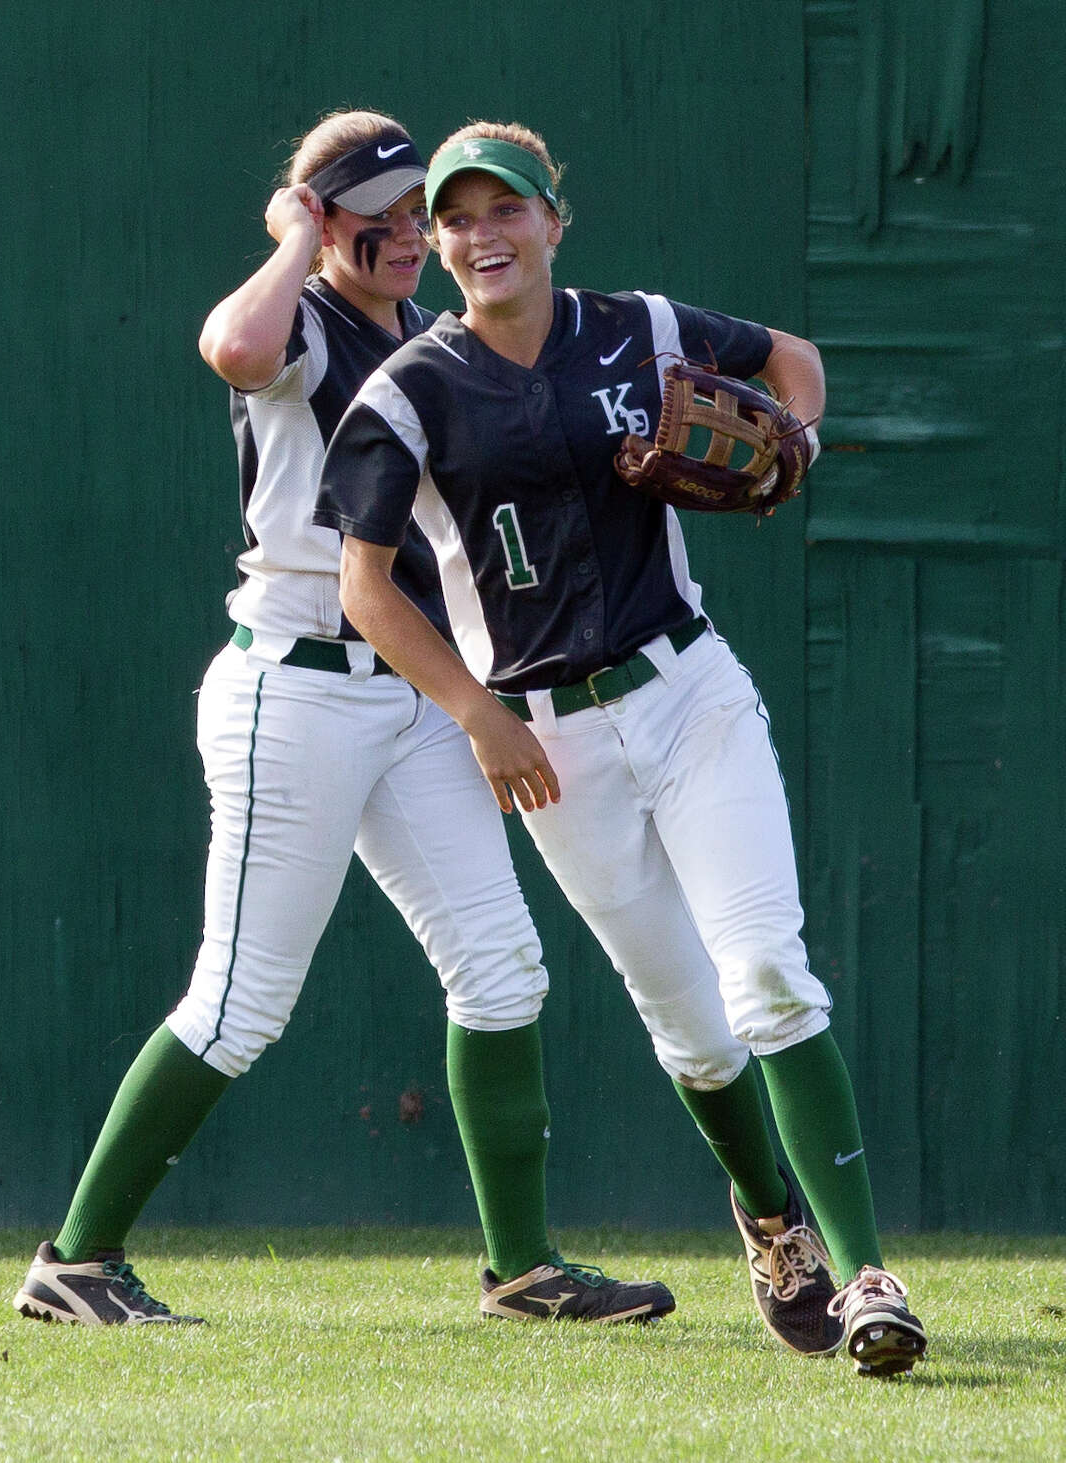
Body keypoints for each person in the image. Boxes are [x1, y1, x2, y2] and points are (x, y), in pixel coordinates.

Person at [12, 111, 673, 1328]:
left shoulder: (424, 336)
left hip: (409, 689)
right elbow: (232, 345)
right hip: (296, 684)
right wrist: (294, 232)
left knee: (503, 966)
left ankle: (522, 1266)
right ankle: (78, 1256)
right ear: (323, 221)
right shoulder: (305, 319)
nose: (409, 234)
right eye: (378, 215)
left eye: (418, 212)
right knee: (243, 996)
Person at [315, 121, 929, 1377]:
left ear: (554, 221)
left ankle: (868, 1270)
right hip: (549, 740)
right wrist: (475, 712)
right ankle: (774, 1223)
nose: (482, 234)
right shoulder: (408, 391)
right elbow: (365, 587)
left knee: (768, 975)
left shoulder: (638, 327)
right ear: (437, 244)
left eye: (506, 209)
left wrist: (797, 438)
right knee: (691, 1029)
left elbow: (794, 361)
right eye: (456, 218)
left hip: (688, 690)